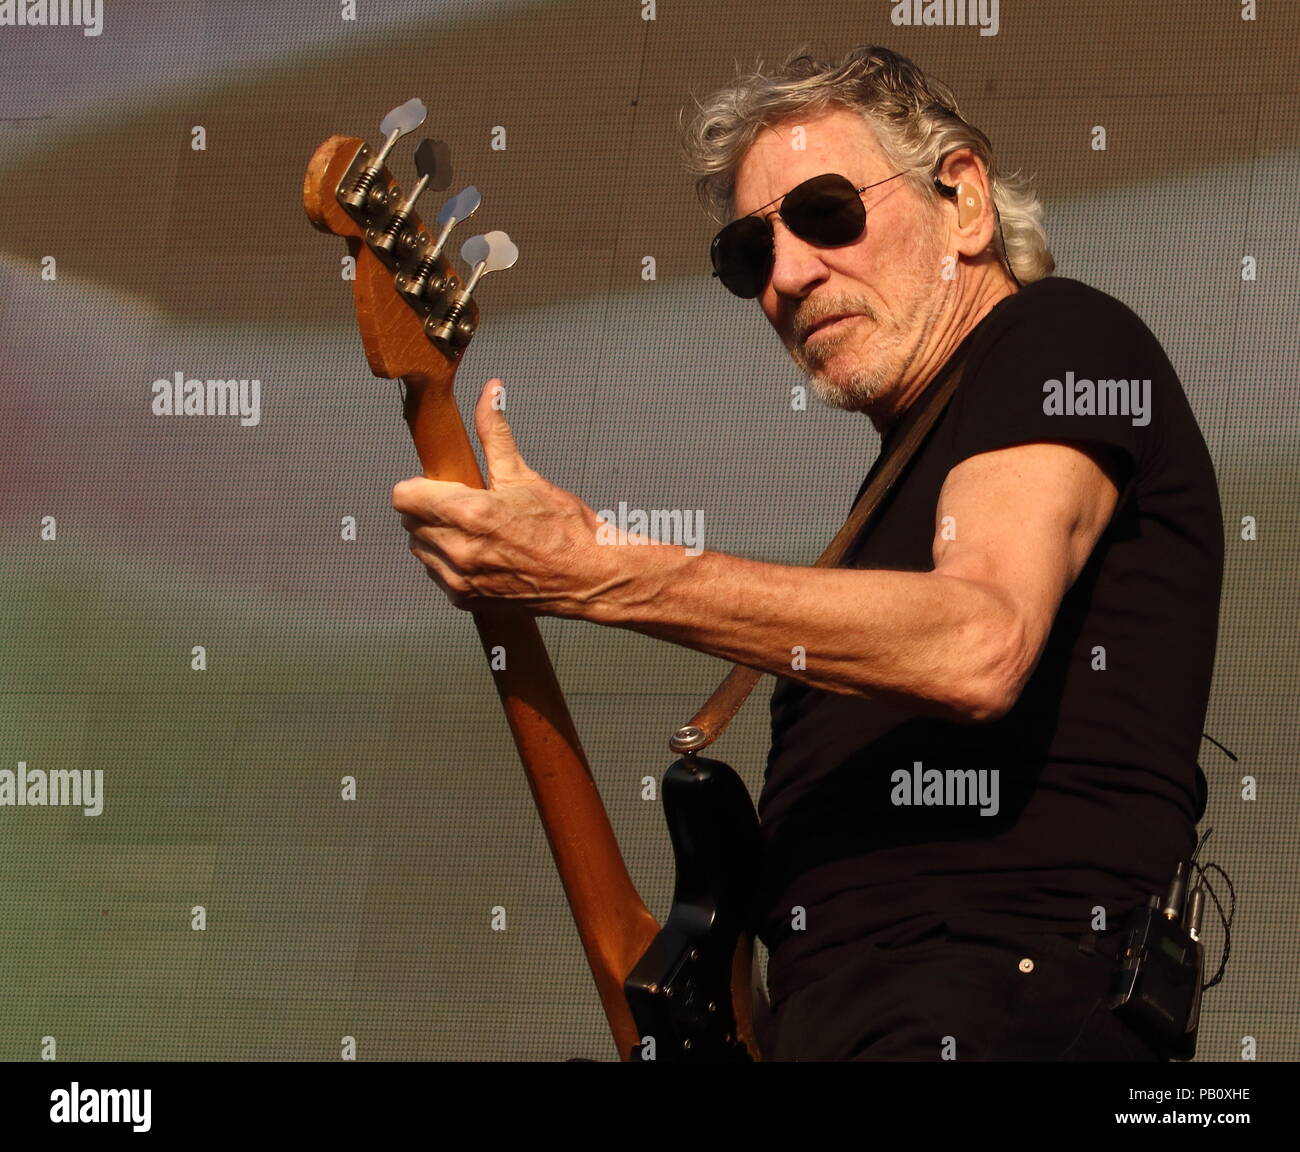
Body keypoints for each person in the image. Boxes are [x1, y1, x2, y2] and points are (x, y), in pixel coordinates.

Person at [391, 45, 1223, 1061]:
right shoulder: (876, 525)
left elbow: (979, 642)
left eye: (827, 213)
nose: (786, 275)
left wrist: (596, 567)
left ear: (961, 199)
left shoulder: (1061, 339)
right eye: (749, 254)